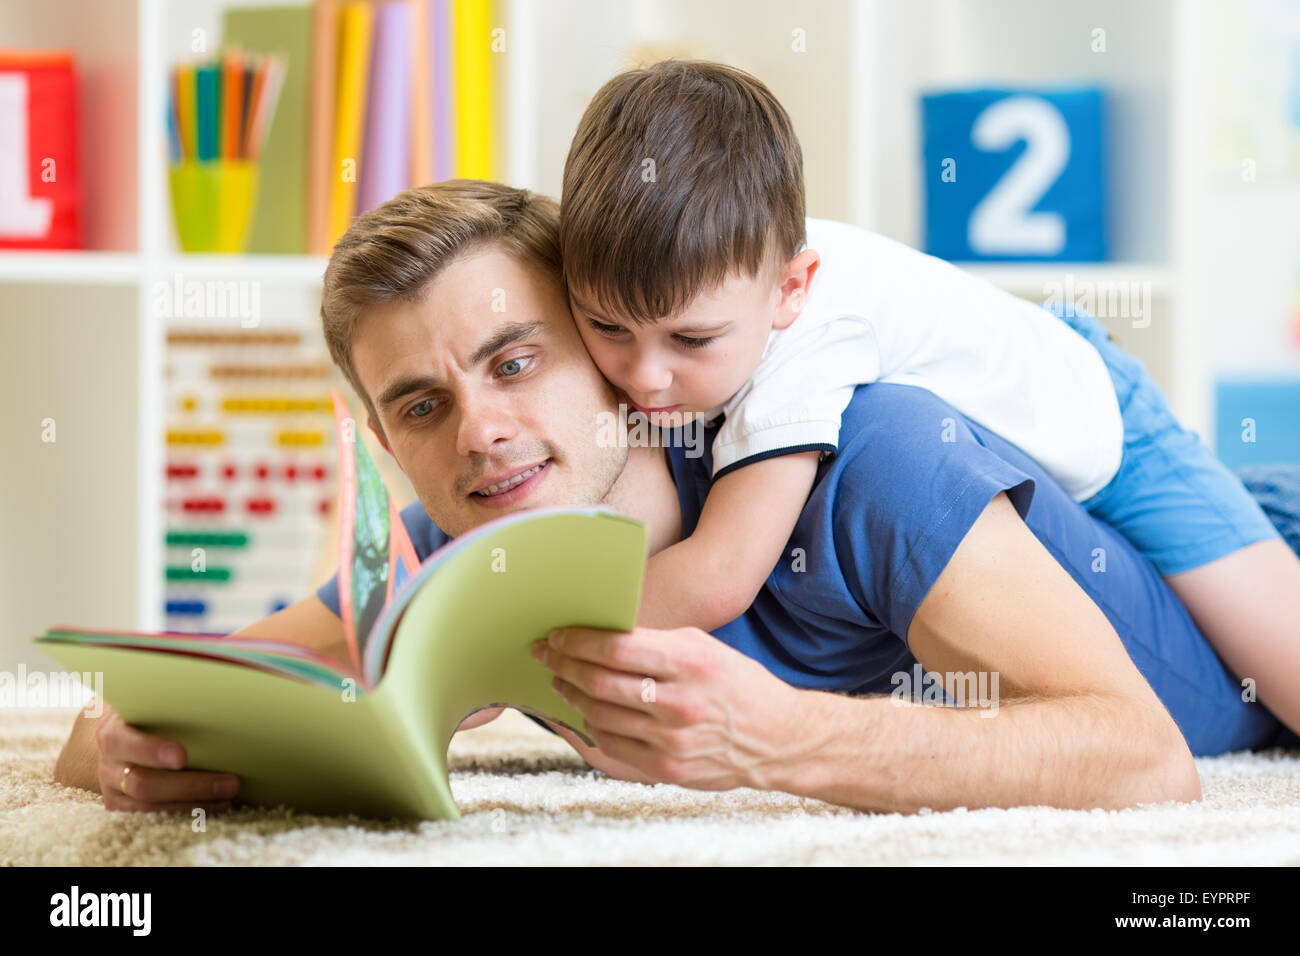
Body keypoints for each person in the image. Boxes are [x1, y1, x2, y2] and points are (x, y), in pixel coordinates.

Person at [54, 181, 1299, 815]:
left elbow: (1141, 760)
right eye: (421, 406)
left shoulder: (867, 454)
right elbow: (162, 691)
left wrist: (786, 739)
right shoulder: (464, 555)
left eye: (514, 359)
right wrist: (123, 744)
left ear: (608, 347)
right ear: (384, 439)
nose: (481, 431)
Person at [559, 61, 1300, 740]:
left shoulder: (809, 346)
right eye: (607, 328)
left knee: (1282, 661)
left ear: (791, 290)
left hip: (1113, 431)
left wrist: (528, 630)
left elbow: (722, 574)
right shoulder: (726, 279)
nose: (645, 377)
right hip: (1026, 427)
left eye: (690, 341)